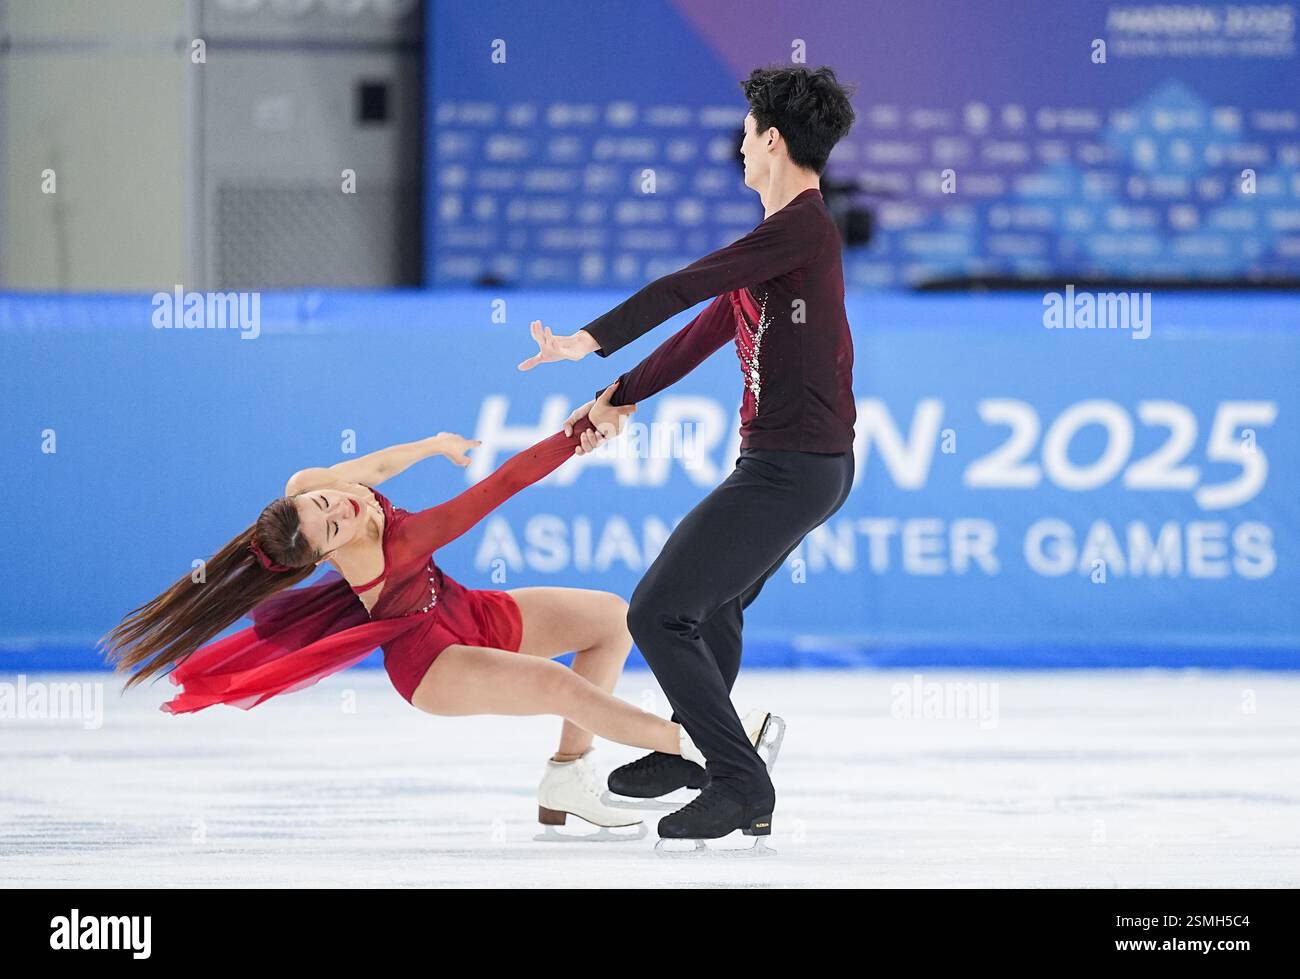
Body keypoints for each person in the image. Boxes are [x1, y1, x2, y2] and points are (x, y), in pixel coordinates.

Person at [102, 387, 764, 840]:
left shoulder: (307, 488)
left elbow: (371, 469)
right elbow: (500, 486)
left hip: (461, 608)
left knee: (611, 618)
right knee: (557, 684)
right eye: (331, 523)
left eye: (331, 500)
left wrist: (431, 444)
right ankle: (706, 744)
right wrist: (576, 435)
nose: (343, 506)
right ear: (324, 557)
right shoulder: (402, 542)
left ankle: (567, 774)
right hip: (430, 659)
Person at [517, 65, 858, 845]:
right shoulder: (784, 242)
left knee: (656, 611)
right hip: (798, 465)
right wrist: (619, 392)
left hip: (792, 466)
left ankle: (740, 779)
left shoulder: (801, 227)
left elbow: (681, 286)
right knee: (713, 605)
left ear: (772, 140)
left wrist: (586, 339)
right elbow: (704, 327)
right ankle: (694, 756)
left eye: (745, 134)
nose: (739, 147)